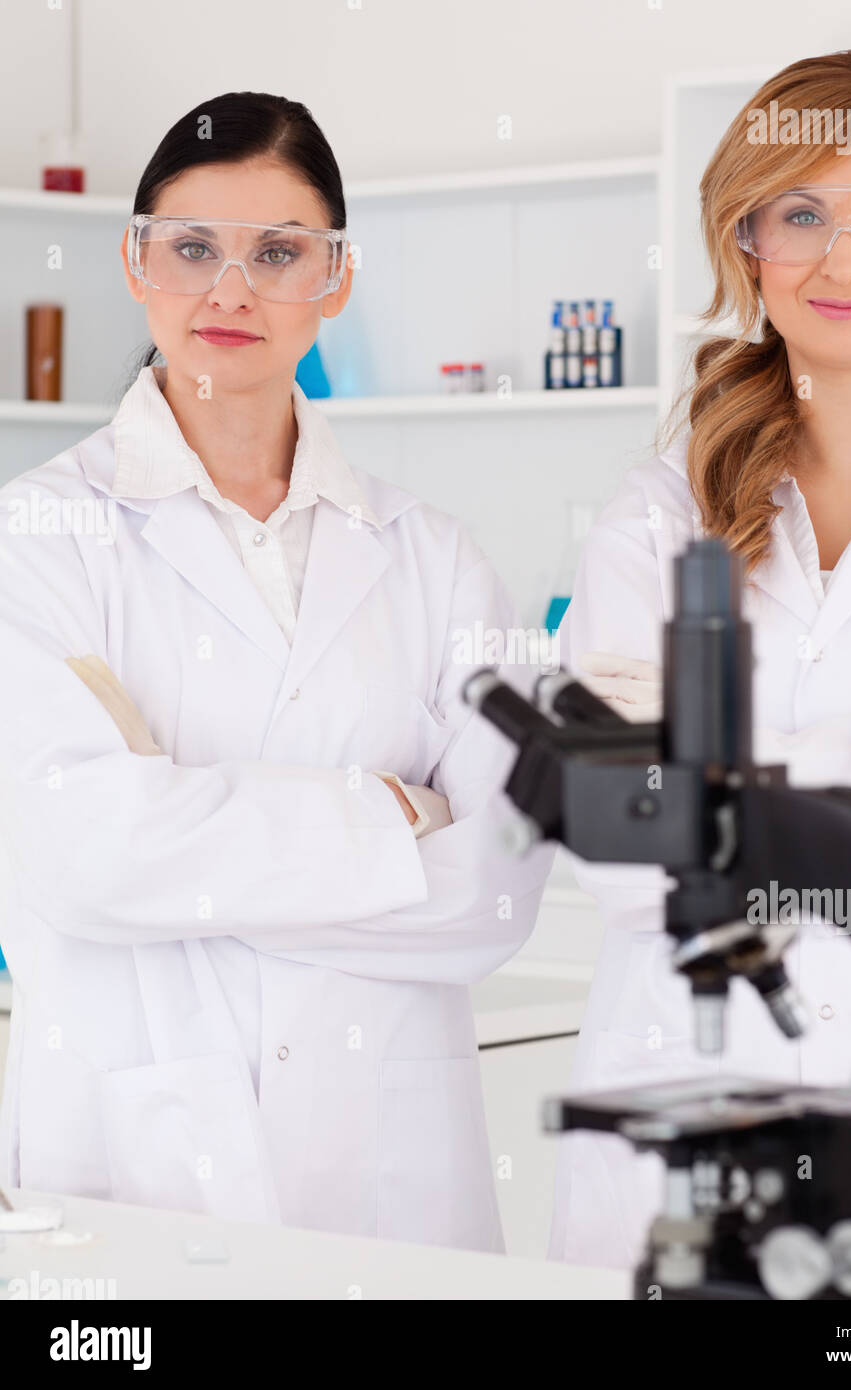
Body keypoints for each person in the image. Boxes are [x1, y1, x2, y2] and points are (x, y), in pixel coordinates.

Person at [0, 91, 552, 1251]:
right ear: (136, 262)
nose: (230, 289)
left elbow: (498, 891)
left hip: (394, 1172)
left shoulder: (436, 559)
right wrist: (390, 819)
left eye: (279, 252)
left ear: (336, 277)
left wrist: (194, 893)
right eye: (192, 248)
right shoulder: (37, 535)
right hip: (132, 1162)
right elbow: (77, 853)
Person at [549, 47, 851, 1269]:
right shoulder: (658, 511)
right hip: (681, 1092)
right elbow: (621, 842)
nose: (842, 257)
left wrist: (741, 792)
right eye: (798, 212)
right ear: (745, 241)